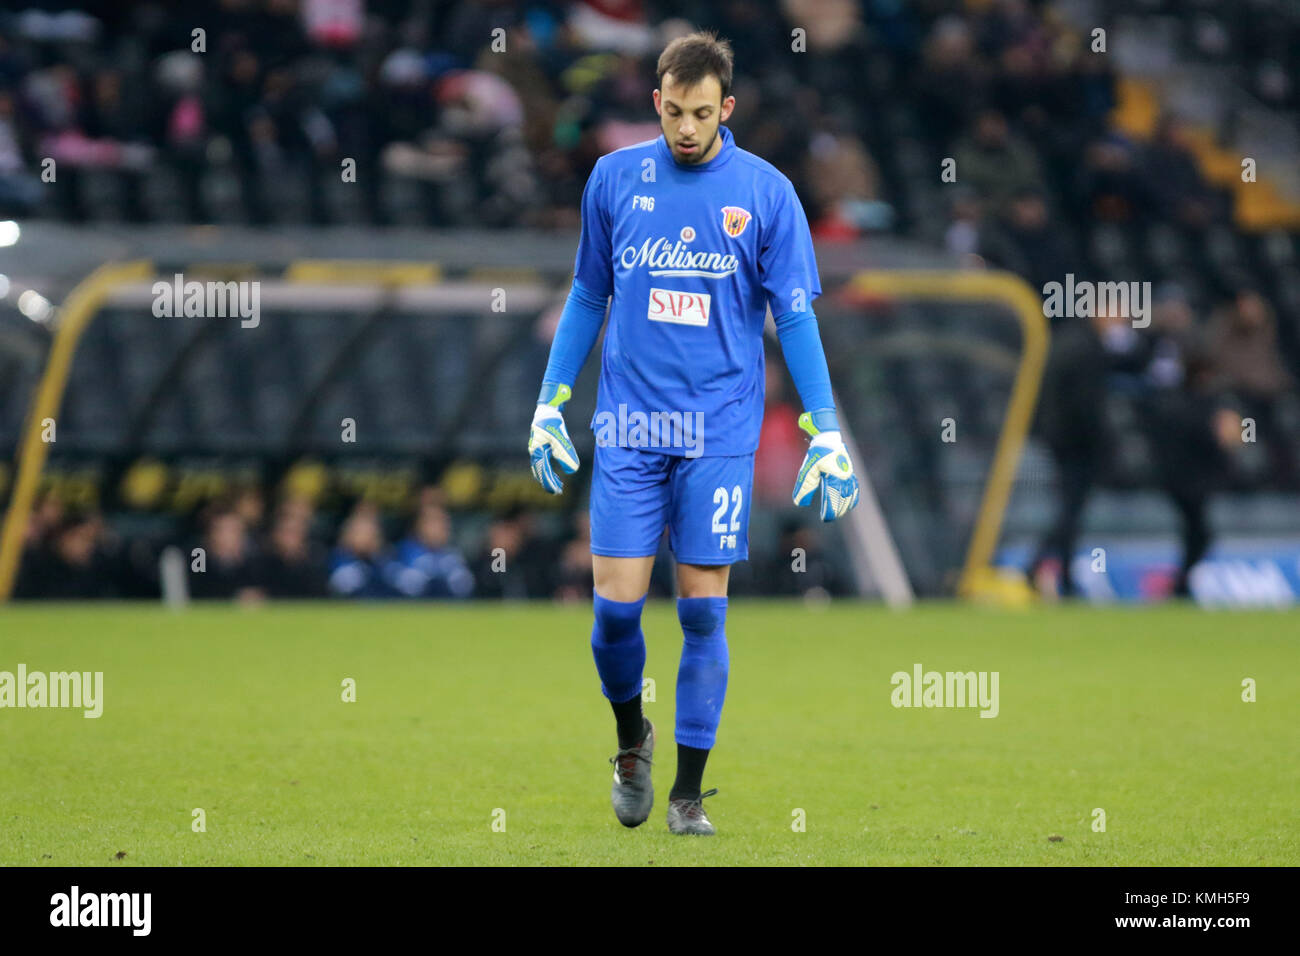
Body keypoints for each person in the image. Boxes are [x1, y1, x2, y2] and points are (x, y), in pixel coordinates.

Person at [527, 32, 859, 836]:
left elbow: (795, 317)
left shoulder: (768, 193)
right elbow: (585, 296)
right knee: (614, 613)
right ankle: (629, 740)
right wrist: (549, 402)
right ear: (657, 103)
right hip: (632, 428)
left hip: (718, 432)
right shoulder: (614, 180)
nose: (685, 127)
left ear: (727, 110)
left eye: (701, 113)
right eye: (673, 111)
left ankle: (685, 794)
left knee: (703, 613)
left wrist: (826, 430)